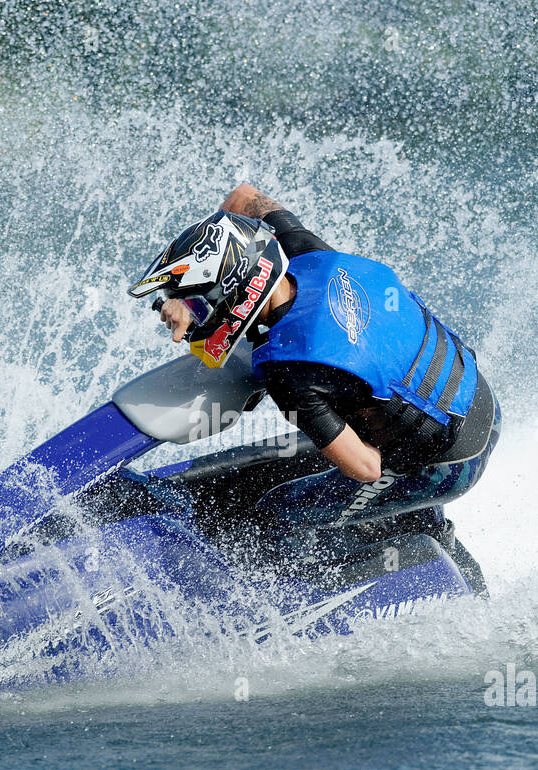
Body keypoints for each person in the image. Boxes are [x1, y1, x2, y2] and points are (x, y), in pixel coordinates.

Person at [127, 183, 500, 532]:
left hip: (454, 459)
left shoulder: (288, 370)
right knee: (340, 424)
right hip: (474, 391)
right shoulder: (307, 253)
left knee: (275, 515)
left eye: (197, 303)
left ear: (234, 296)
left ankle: (410, 537)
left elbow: (366, 467)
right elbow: (243, 197)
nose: (187, 318)